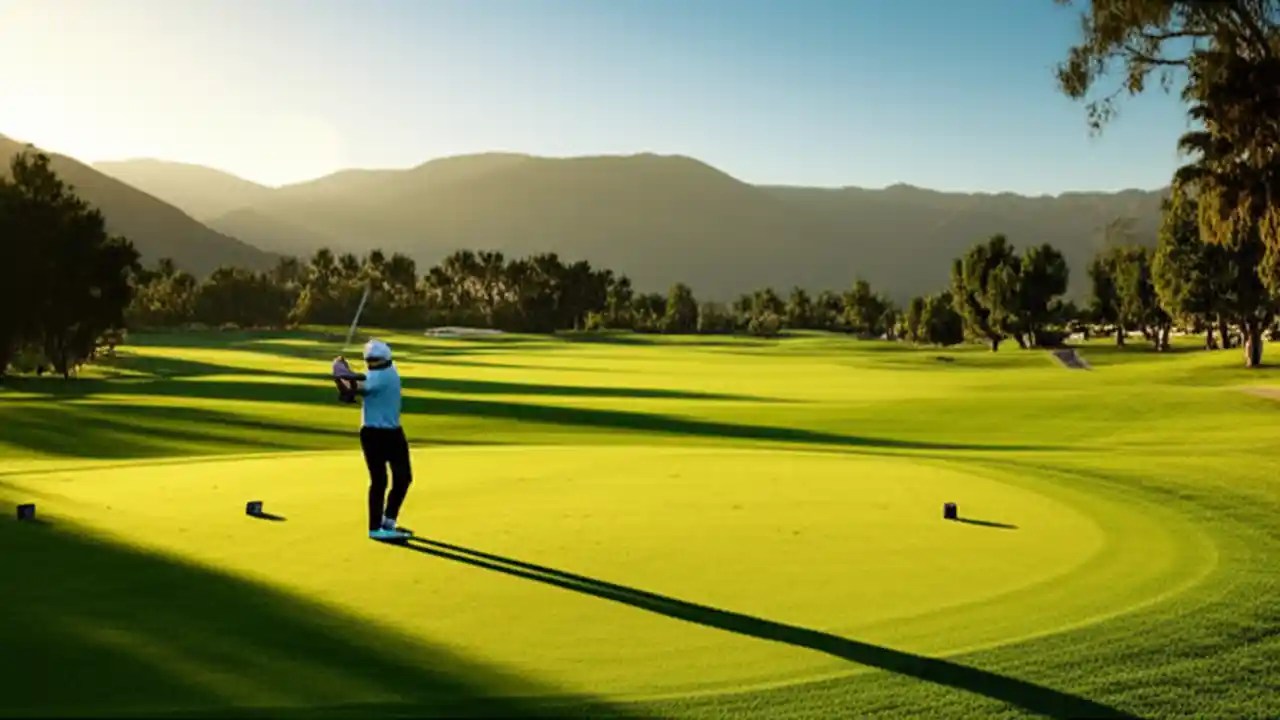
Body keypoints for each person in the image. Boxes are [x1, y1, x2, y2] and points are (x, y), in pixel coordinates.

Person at [344, 339, 413, 541]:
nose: (371, 363)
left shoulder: (385, 376)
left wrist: (341, 372)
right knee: (380, 480)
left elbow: (356, 385)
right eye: (368, 360)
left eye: (375, 360)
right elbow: (356, 384)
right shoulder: (377, 374)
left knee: (403, 478)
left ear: (385, 360)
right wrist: (344, 375)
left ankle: (388, 521)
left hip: (392, 432)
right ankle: (375, 527)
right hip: (372, 433)